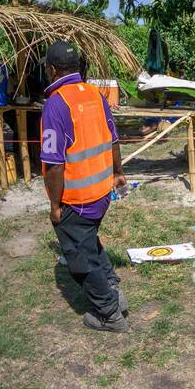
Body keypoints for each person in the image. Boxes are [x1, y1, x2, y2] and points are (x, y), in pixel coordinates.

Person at [40, 39, 129, 333]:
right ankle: (114, 289)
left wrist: (55, 205)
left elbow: (54, 163)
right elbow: (113, 139)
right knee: (87, 240)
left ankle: (109, 312)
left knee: (79, 257)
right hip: (102, 192)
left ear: (52, 70)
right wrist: (117, 173)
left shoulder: (55, 105)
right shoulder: (95, 94)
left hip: (76, 198)